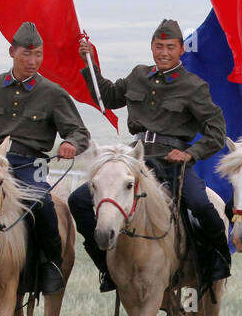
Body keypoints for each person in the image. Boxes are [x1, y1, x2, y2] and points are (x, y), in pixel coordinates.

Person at [72, 20, 230, 293]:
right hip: (136, 159)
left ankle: (216, 262)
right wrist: (90, 64)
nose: (164, 52)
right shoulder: (138, 75)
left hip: (172, 162)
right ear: (152, 47)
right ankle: (106, 266)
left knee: (202, 206)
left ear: (181, 49)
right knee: (79, 200)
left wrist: (191, 153)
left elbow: (217, 132)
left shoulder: (194, 86)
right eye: (159, 46)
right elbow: (108, 97)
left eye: (170, 47)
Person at [0, 21, 89, 294]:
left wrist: (70, 143)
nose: (33, 61)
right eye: (26, 54)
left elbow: (80, 132)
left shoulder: (53, 93)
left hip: (30, 166)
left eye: (38, 55)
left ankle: (51, 266)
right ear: (12, 52)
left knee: (44, 205)